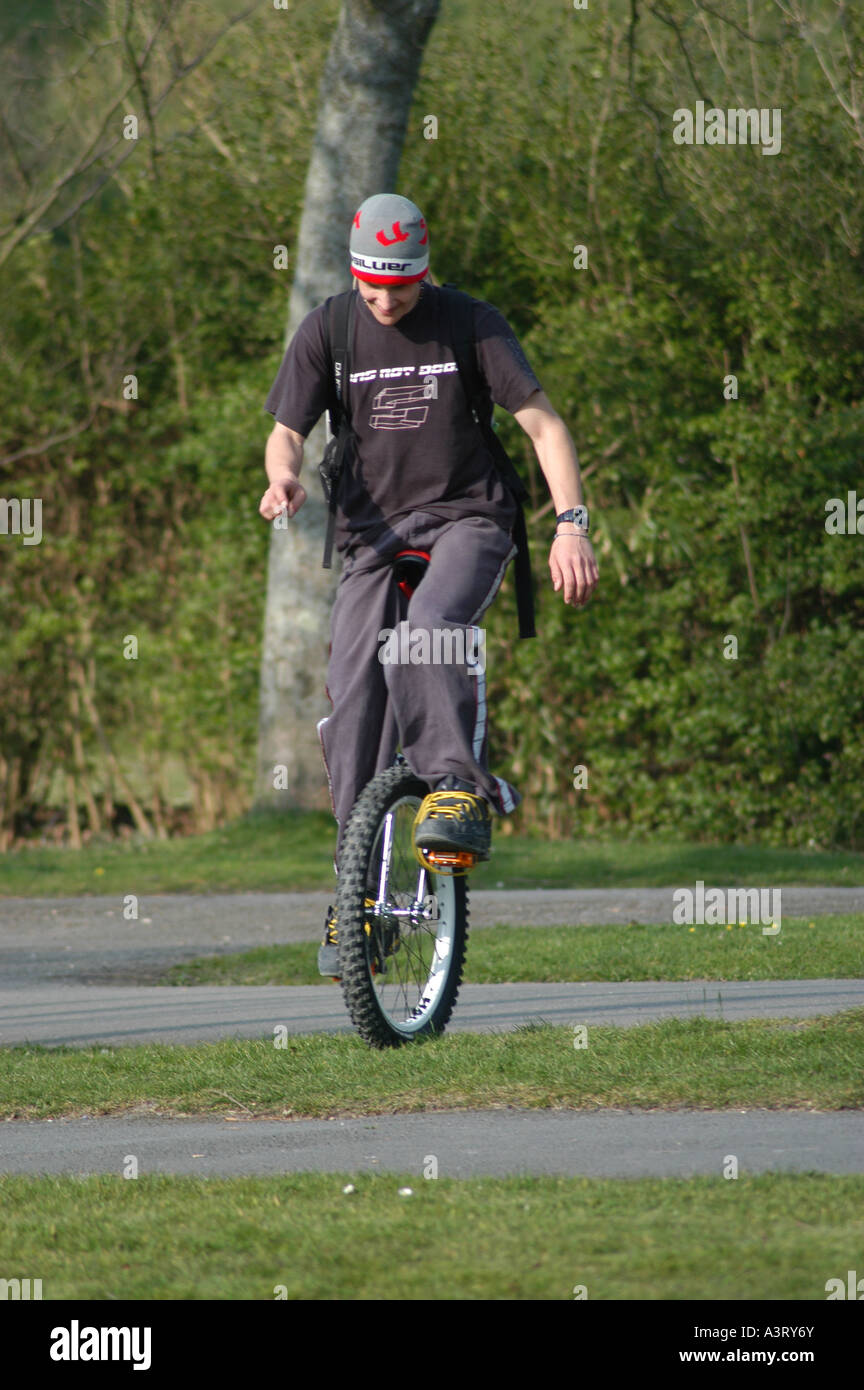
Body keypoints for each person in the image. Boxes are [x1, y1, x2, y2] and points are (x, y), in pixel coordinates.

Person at [260, 193, 598, 974]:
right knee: (350, 703)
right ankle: (360, 902)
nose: (384, 302)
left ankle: (456, 791)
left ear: (424, 270)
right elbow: (287, 431)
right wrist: (284, 480)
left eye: (399, 289)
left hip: (466, 520)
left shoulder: (470, 323)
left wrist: (570, 523)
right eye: (370, 287)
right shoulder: (329, 328)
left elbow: (543, 424)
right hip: (371, 537)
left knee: (427, 634)